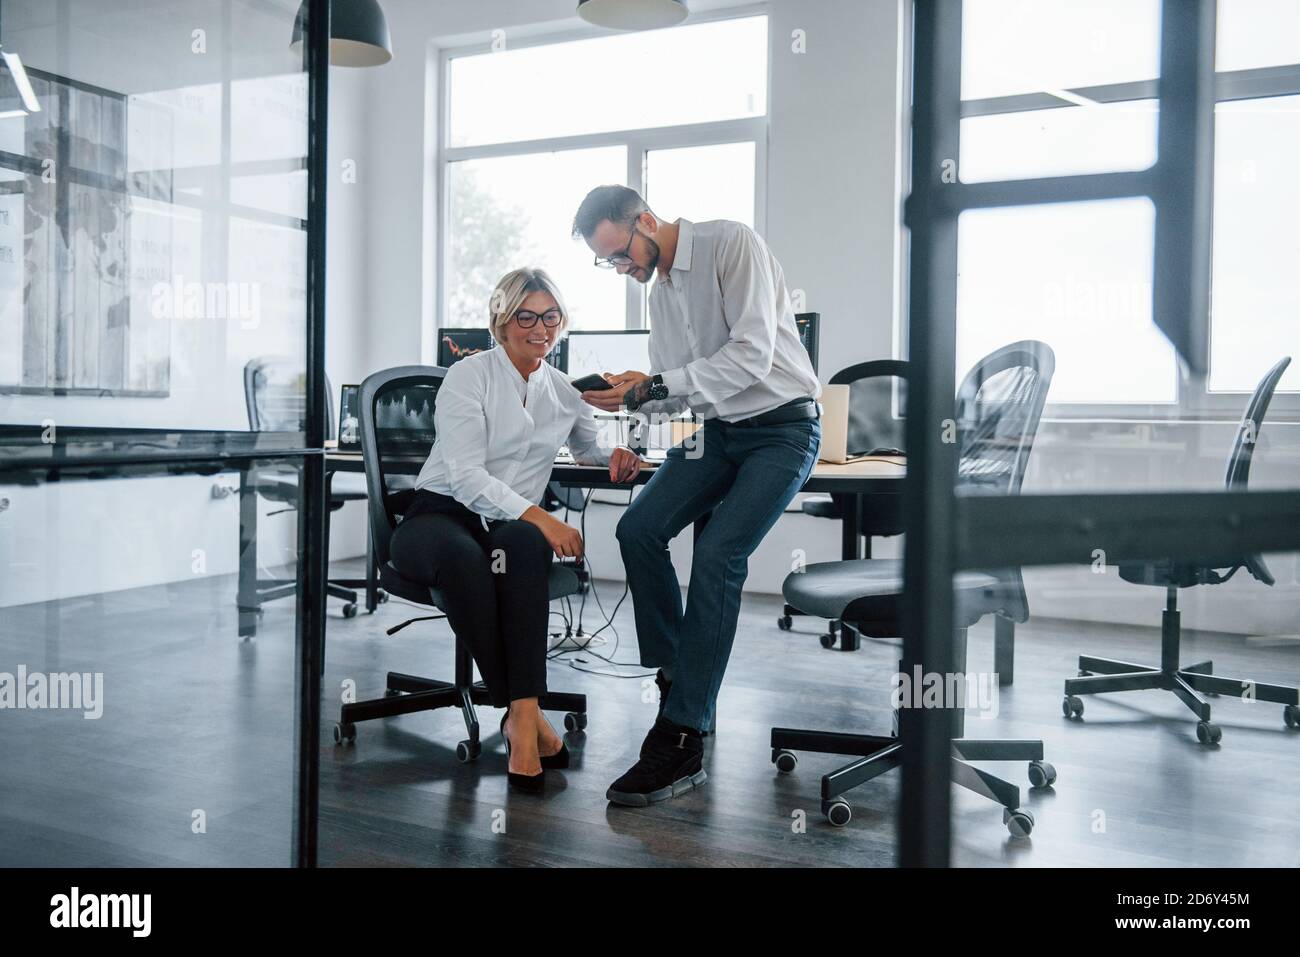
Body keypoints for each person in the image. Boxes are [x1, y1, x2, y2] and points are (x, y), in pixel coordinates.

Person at [573, 186, 821, 807]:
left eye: (620, 254)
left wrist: (655, 383)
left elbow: (751, 355)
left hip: (782, 427)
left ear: (647, 221)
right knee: (638, 528)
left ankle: (683, 731)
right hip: (716, 432)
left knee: (717, 557)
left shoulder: (730, 244)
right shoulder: (661, 293)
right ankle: (676, 678)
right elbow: (678, 393)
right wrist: (634, 402)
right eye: (608, 263)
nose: (622, 270)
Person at [389, 267, 642, 793]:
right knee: (472, 557)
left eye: (550, 317)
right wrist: (543, 517)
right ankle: (525, 715)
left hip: (505, 525)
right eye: (525, 316)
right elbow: (464, 476)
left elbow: (587, 448)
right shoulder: (470, 375)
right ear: (501, 323)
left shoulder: (564, 391)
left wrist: (612, 453)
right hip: (439, 515)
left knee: (523, 544)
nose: (539, 328)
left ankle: (521, 716)